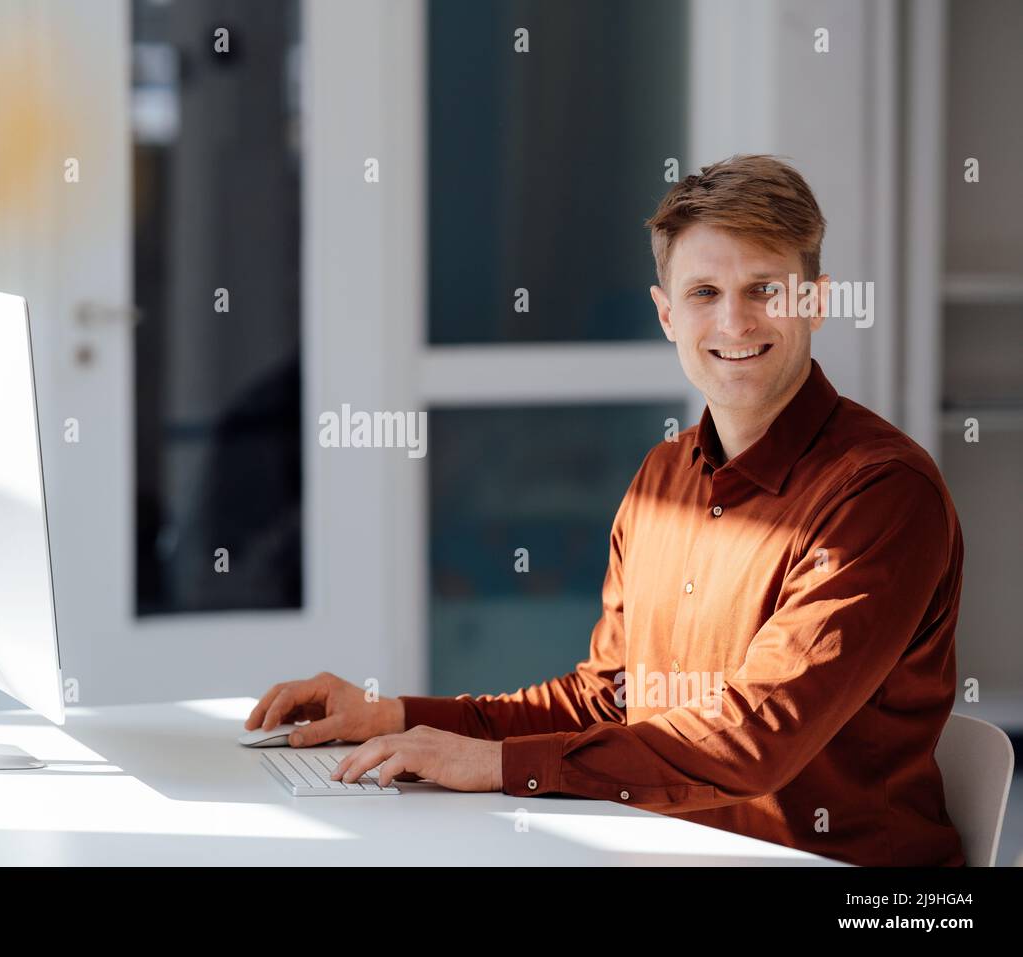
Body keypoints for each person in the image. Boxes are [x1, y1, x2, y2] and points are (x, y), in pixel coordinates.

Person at [245, 154, 965, 867]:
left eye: (764, 289)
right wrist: (396, 716)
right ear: (666, 314)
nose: (735, 321)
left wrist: (499, 764)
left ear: (816, 300)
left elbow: (756, 740)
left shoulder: (881, 493)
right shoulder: (662, 478)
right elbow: (606, 702)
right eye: (705, 291)